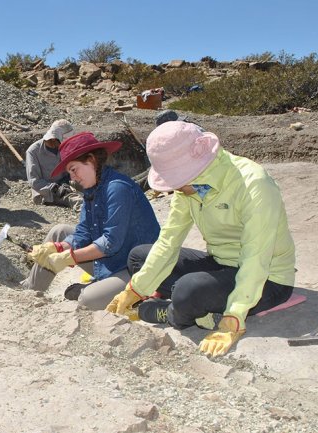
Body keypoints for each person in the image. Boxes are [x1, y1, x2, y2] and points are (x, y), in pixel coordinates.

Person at [106, 121, 296, 357]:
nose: (172, 189)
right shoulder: (189, 187)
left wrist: (234, 317)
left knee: (189, 290)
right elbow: (169, 239)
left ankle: (173, 312)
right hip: (222, 263)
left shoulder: (253, 184)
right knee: (138, 257)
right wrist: (135, 289)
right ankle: (194, 305)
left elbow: (256, 256)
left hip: (268, 276)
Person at [21, 132, 160, 308]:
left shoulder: (118, 189)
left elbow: (110, 243)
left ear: (92, 160)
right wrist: (58, 248)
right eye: (69, 173)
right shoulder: (91, 190)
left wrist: (69, 257)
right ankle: (30, 290)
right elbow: (83, 233)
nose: (72, 178)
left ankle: (97, 289)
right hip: (111, 262)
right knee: (59, 232)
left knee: (88, 300)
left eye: (74, 169)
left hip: (137, 268)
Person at [25, 119, 82, 211]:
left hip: (66, 183)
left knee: (92, 187)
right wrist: (56, 188)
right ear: (54, 139)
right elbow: (34, 181)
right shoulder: (33, 152)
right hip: (48, 192)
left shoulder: (64, 147)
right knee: (77, 200)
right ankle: (91, 213)